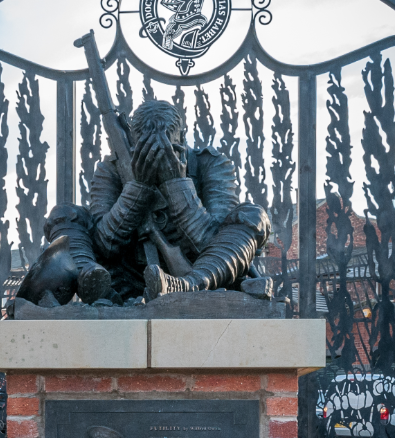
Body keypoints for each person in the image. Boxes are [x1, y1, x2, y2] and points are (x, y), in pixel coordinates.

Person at [18, 99, 270, 306]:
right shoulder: (112, 169)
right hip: (123, 280)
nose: (155, 157)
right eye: (145, 150)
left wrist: (175, 184)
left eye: (167, 149)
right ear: (132, 141)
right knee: (65, 214)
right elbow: (104, 243)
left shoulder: (211, 164)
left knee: (252, 216)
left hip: (204, 274)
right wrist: (138, 187)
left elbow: (210, 242)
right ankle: (90, 280)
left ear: (182, 136)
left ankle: (189, 284)